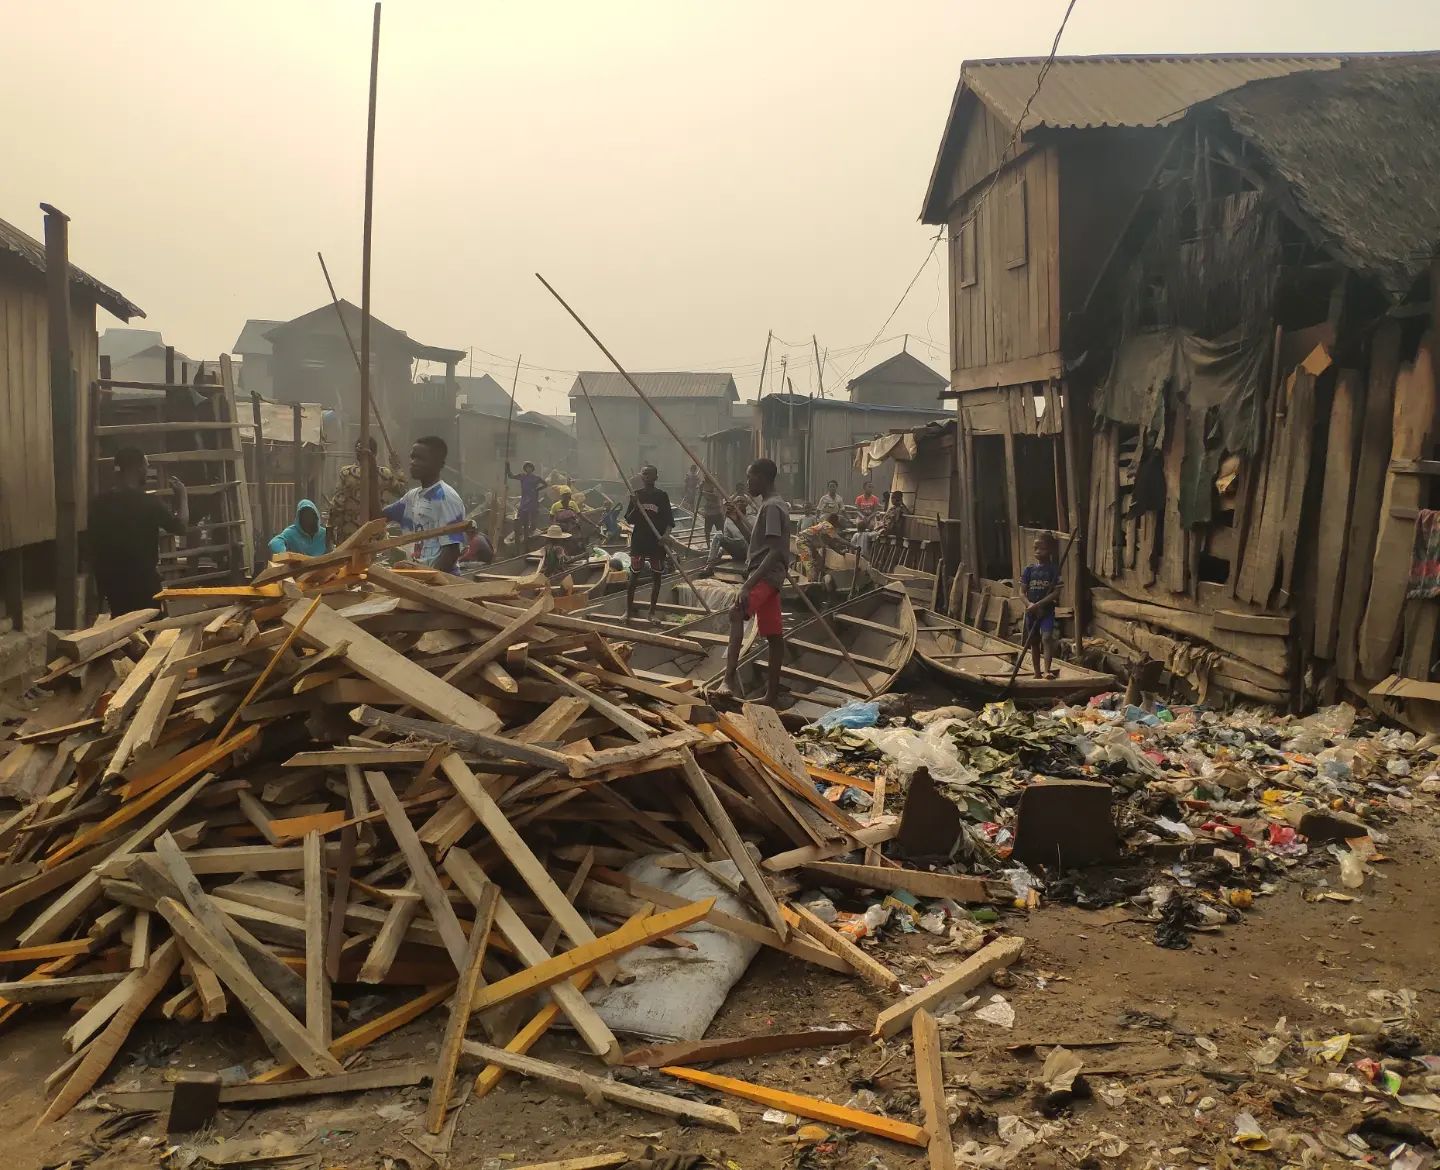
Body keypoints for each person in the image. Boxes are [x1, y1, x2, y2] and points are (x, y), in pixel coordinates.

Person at [88, 447, 189, 617]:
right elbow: (180, 527)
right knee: (147, 635)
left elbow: (93, 547)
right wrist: (183, 495)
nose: (147, 471)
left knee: (121, 635)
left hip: (115, 586)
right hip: (145, 584)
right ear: (139, 468)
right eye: (146, 466)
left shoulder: (99, 504)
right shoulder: (149, 503)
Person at [723, 458, 789, 706]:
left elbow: (773, 552)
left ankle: (728, 680)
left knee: (737, 611)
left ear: (762, 477)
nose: (747, 481)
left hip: (767, 575)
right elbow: (759, 543)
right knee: (773, 635)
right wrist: (738, 520)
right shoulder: (773, 505)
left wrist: (747, 585)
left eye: (750, 476)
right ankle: (770, 696)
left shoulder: (772, 507)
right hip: (772, 576)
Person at [382, 436, 467, 573]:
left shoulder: (446, 497)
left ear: (439, 464)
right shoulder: (411, 497)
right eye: (413, 458)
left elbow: (451, 551)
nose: (413, 463)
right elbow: (378, 517)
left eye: (420, 459)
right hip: (418, 578)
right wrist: (372, 477)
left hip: (440, 583)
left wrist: (429, 582)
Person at [327, 437, 408, 545]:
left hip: (350, 535)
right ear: (375, 452)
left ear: (357, 452)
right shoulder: (384, 474)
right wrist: (397, 467)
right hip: (375, 535)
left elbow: (337, 504)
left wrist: (330, 526)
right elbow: (403, 491)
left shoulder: (347, 473)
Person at [624, 465, 674, 620]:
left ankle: (652, 613)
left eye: (649, 474)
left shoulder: (662, 496)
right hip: (639, 540)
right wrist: (634, 504)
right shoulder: (636, 495)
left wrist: (666, 536)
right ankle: (628, 611)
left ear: (655, 478)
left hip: (656, 541)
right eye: (643, 474)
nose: (646, 476)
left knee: (656, 577)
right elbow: (629, 520)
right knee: (633, 577)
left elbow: (669, 520)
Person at [1020, 531, 1063, 679]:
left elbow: (1056, 593)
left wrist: (1039, 604)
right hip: (1031, 612)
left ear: (1050, 550)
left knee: (1046, 638)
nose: (1038, 551)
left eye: (1042, 548)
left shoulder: (1053, 570)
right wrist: (1030, 605)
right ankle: (1037, 673)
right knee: (1034, 641)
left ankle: (1047, 671)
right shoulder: (1029, 570)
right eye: (1035, 548)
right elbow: (1021, 592)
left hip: (1047, 611)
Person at [796, 513, 848, 583]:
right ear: (834, 523)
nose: (837, 529)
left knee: (819, 562)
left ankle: (816, 578)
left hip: (810, 545)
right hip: (802, 542)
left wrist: (840, 552)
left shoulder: (826, 532)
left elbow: (832, 544)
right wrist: (853, 546)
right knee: (809, 564)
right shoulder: (827, 526)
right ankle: (811, 582)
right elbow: (838, 539)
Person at [507, 461, 545, 545]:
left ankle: (531, 531)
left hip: (533, 499)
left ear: (532, 468)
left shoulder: (536, 478)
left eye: (530, 467)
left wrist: (538, 489)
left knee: (533, 515)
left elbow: (545, 484)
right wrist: (507, 466)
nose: (528, 469)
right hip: (525, 499)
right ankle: (521, 531)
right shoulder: (522, 476)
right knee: (522, 515)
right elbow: (510, 476)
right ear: (525, 469)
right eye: (527, 467)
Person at [697, 475, 725, 541]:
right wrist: (701, 489)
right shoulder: (703, 484)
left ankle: (724, 545)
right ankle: (708, 546)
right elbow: (699, 493)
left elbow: (715, 496)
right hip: (709, 513)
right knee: (707, 531)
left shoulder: (715, 485)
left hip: (717, 512)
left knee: (721, 530)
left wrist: (703, 492)